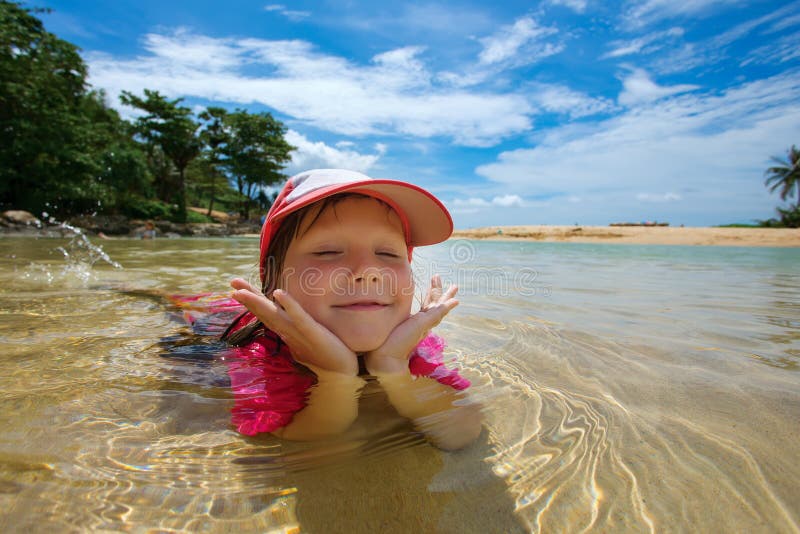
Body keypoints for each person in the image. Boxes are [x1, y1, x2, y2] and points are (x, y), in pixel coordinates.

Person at [176, 169, 482, 450]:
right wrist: (335, 379)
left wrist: (394, 368)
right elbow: (292, 442)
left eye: (388, 253)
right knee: (178, 306)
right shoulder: (259, 354)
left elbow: (462, 432)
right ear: (272, 281)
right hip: (218, 317)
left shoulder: (412, 344)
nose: (369, 270)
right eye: (328, 251)